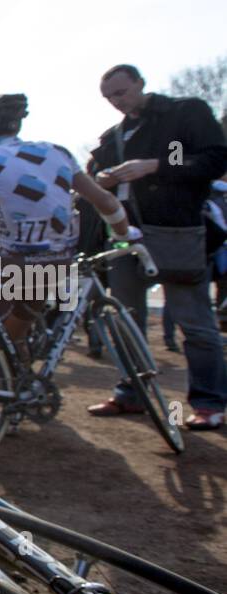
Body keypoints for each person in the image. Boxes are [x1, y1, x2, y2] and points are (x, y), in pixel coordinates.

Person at [0, 94, 139, 440]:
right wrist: (124, 236)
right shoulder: (58, 152)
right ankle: (18, 400)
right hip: (57, 259)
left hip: (15, 257)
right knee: (18, 326)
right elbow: (105, 201)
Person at [87, 64, 227, 431]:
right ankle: (131, 392)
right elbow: (94, 174)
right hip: (126, 237)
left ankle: (209, 403)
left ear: (140, 83)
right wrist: (102, 176)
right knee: (125, 320)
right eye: (109, 98)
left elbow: (209, 160)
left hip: (176, 232)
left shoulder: (182, 115)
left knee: (194, 323)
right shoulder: (113, 135)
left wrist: (155, 165)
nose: (116, 102)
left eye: (121, 93)